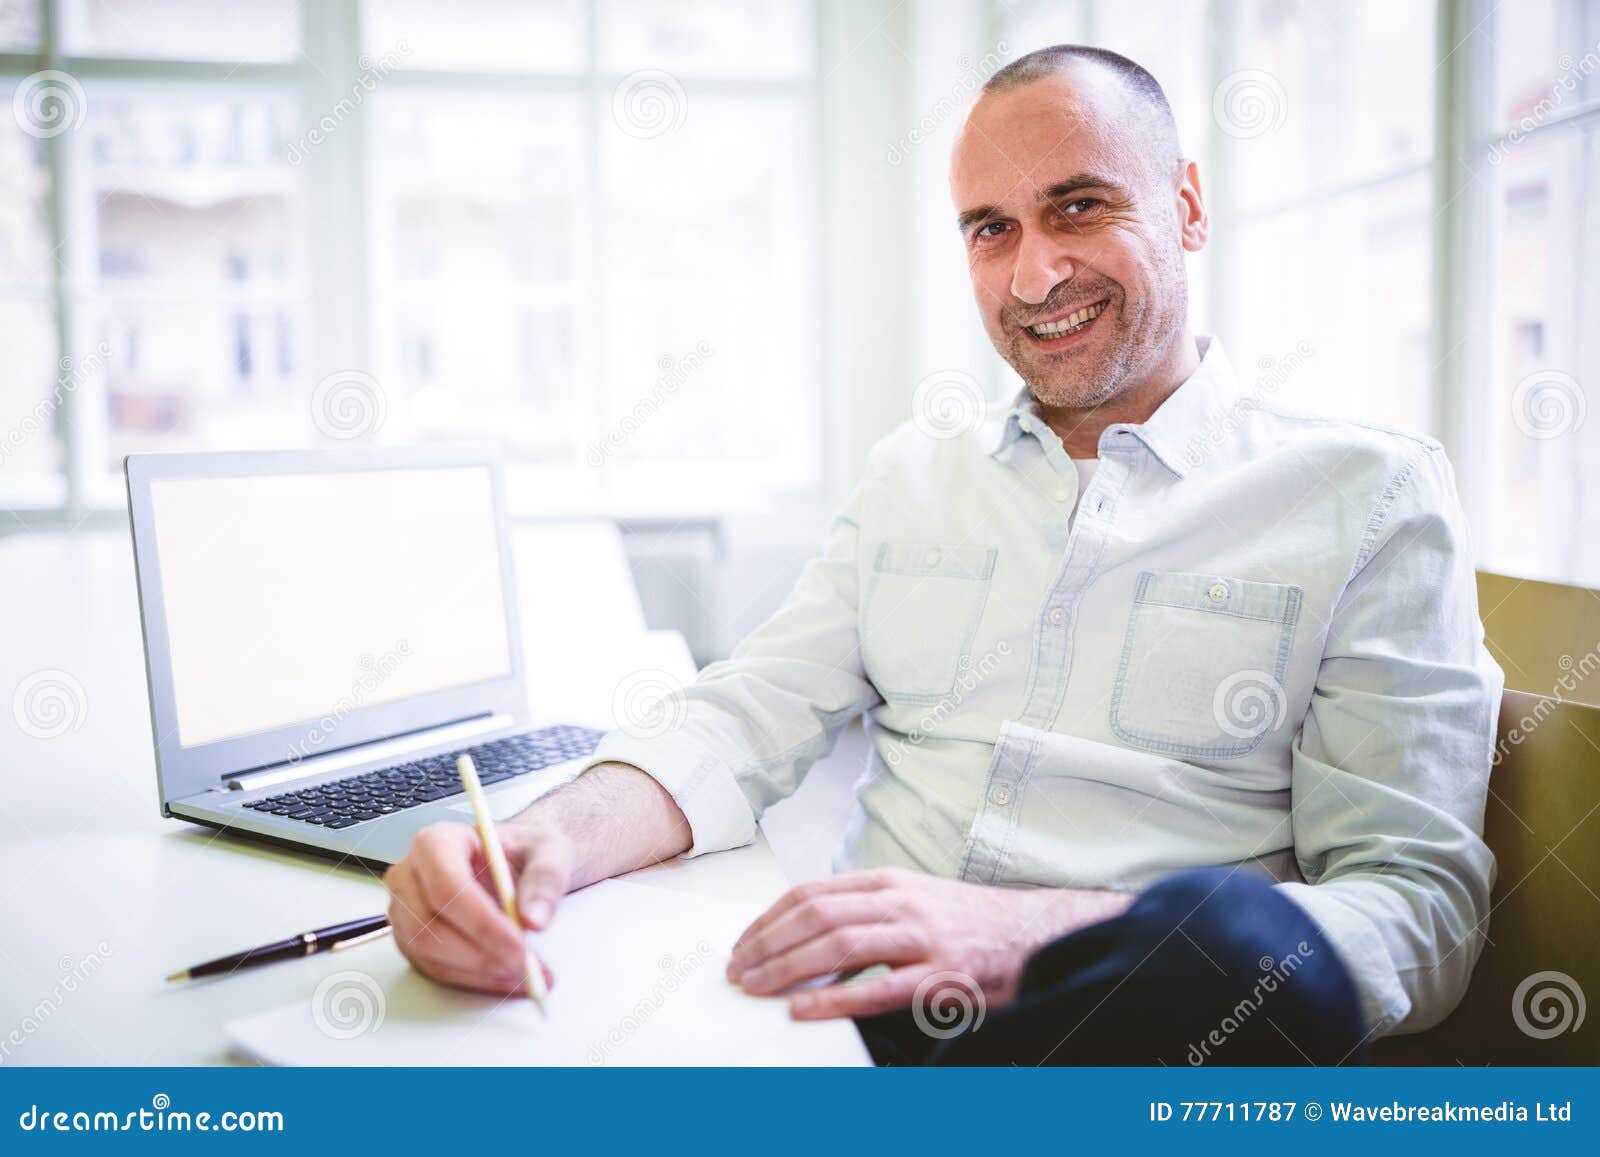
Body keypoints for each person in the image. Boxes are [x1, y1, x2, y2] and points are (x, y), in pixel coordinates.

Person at [382, 44, 1502, 1066]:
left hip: (1135, 1038)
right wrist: (536, 843)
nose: (1032, 274)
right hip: (849, 1023)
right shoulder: (910, 477)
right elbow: (743, 712)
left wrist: (1028, 933)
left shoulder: (1368, 495)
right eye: (990, 228)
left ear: (1187, 206)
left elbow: (1416, 912)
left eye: (1079, 205)